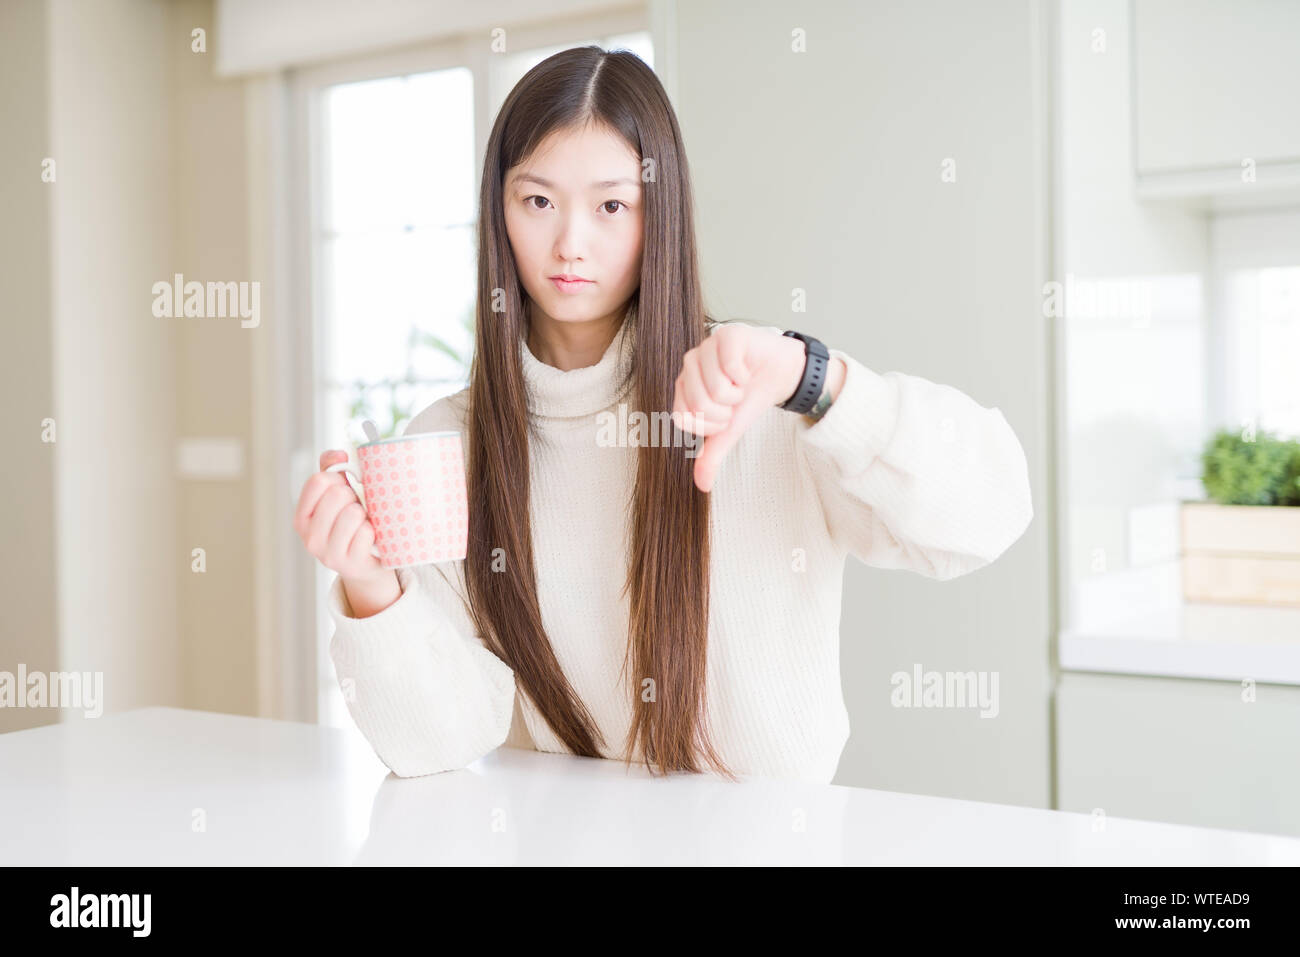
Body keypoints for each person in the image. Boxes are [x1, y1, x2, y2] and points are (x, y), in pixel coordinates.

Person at [294, 46, 1033, 784]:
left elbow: (991, 514)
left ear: (660, 214)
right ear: (501, 214)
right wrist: (371, 587)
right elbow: (437, 741)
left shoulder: (758, 393)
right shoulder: (449, 443)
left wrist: (816, 381)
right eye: (538, 201)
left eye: (612, 205)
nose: (570, 242)